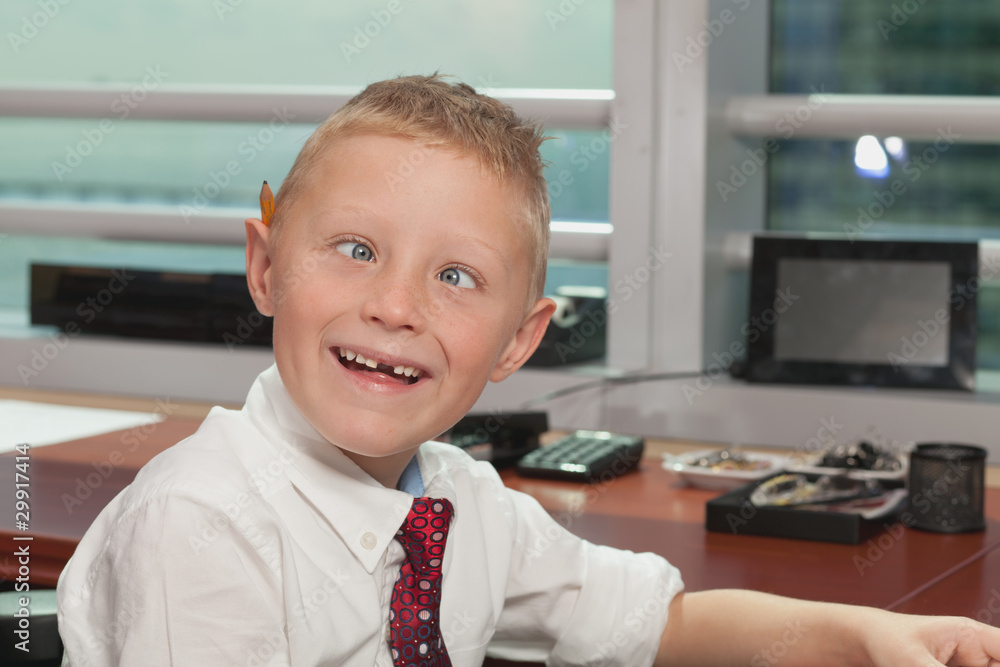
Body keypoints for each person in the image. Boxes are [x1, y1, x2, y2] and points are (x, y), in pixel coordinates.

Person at [57, 74, 1000, 666]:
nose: (396, 305)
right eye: (354, 249)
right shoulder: (200, 525)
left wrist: (867, 637)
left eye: (456, 276)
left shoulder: (461, 503)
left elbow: (658, 626)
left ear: (521, 339)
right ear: (265, 268)